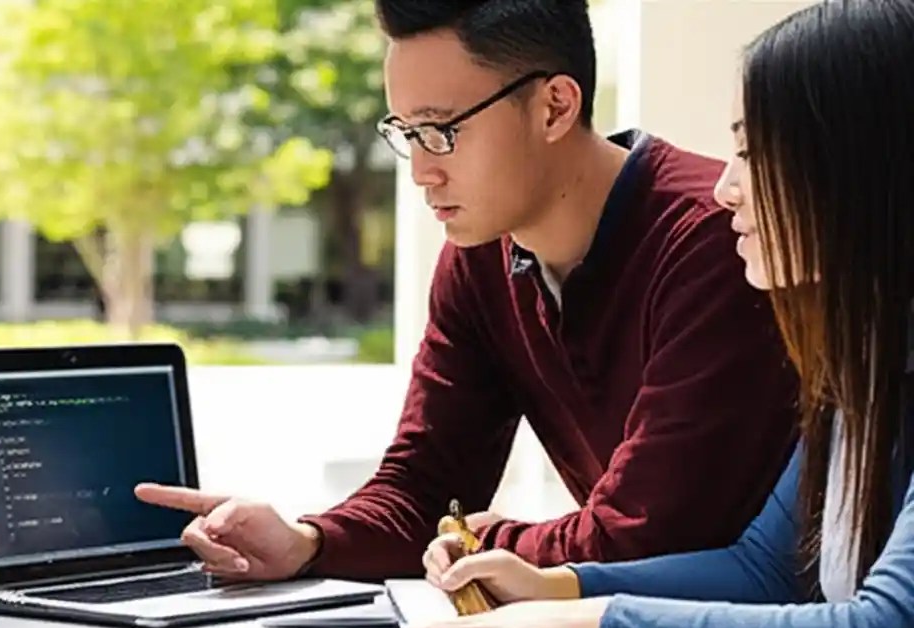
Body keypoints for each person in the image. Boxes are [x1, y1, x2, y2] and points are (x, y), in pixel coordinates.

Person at [134, 0, 800, 581]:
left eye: (441, 132)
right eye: (405, 134)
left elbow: (648, 532)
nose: (422, 172)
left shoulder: (720, 240)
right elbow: (426, 483)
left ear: (555, 106)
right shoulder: (481, 255)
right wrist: (308, 542)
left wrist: (476, 541)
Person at [405, 0, 914, 628]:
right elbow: (762, 569)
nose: (725, 186)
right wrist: (558, 587)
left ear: (858, 166)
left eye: (754, 152)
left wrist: (593, 623)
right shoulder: (858, 370)